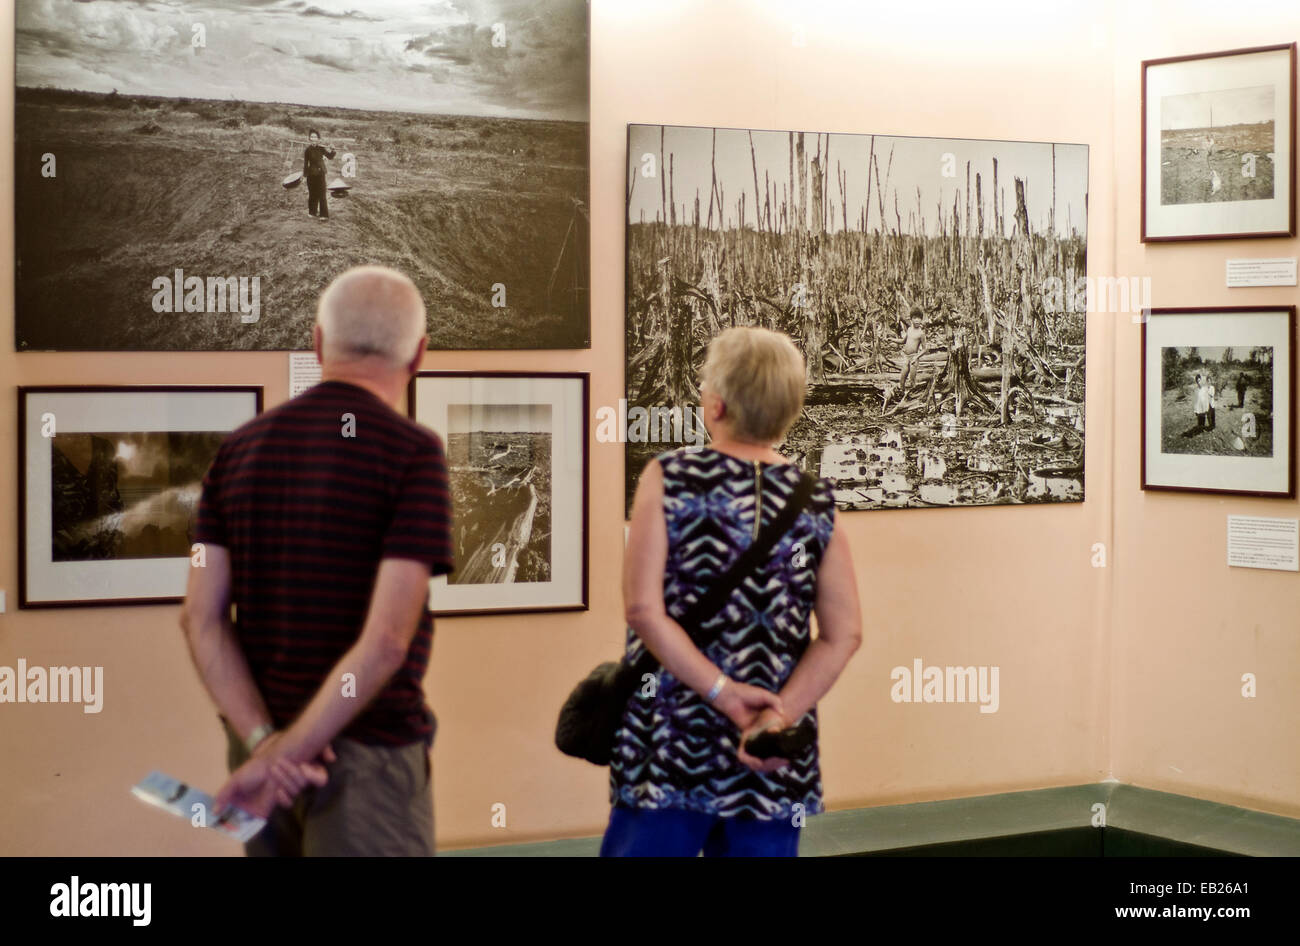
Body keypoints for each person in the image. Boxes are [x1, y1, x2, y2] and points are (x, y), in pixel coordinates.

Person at [181, 265, 452, 856]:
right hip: (364, 759)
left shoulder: (238, 450)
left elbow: (199, 618)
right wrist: (293, 751)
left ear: (318, 342)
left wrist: (265, 744)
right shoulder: (412, 453)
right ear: (420, 355)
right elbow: (384, 642)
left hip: (262, 757)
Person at [604, 326, 863, 857]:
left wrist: (722, 692)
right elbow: (845, 633)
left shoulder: (670, 475)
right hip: (767, 751)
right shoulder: (816, 499)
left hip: (671, 739)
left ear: (715, 404)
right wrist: (776, 715)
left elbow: (642, 609)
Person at [303, 129, 336, 220]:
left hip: (321, 174)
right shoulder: (307, 150)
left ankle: (323, 215)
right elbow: (306, 163)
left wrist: (333, 150)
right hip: (311, 175)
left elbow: (330, 157)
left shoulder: (322, 148)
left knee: (322, 194)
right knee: (312, 194)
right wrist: (304, 176)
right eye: (312, 137)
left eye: (315, 137)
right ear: (309, 138)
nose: (313, 138)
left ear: (318, 139)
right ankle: (312, 212)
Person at [898, 307, 927, 394]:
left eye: (919, 318)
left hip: (914, 358)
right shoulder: (910, 329)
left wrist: (916, 357)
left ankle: (913, 397)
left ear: (921, 319)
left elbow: (925, 349)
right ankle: (901, 396)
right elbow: (903, 341)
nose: (917, 320)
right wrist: (891, 339)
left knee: (912, 380)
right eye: (915, 318)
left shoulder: (921, 333)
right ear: (911, 319)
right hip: (906, 357)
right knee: (902, 379)